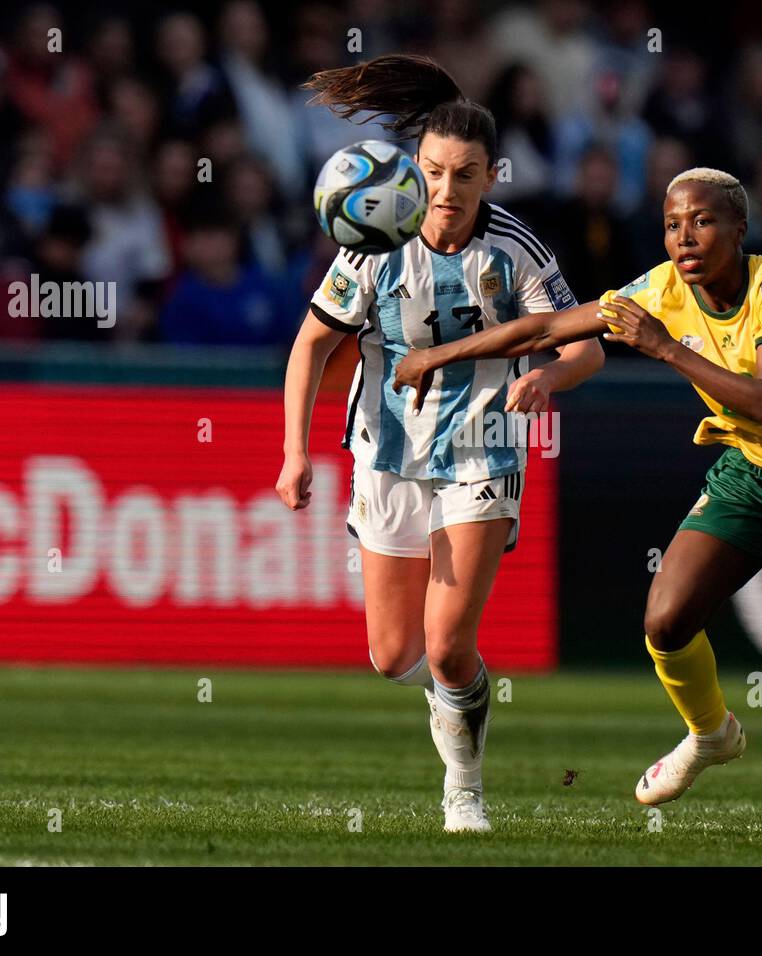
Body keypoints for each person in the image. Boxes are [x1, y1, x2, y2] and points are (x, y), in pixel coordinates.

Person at [394, 167, 762, 843]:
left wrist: (661, 346)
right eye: (671, 224)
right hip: (755, 472)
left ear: (740, 231)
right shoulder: (660, 286)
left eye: (703, 222)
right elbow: (544, 326)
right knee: (665, 618)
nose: (684, 238)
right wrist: (441, 355)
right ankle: (711, 733)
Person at [276, 54, 603, 833]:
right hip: (385, 453)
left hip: (482, 451)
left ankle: (464, 791)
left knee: (450, 643)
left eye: (465, 174)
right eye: (434, 171)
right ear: (415, 172)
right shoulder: (375, 238)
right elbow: (311, 346)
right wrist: (294, 452)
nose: (447, 190)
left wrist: (547, 381)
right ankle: (456, 702)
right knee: (395, 656)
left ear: (491, 176)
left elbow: (584, 342)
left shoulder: (515, 248)